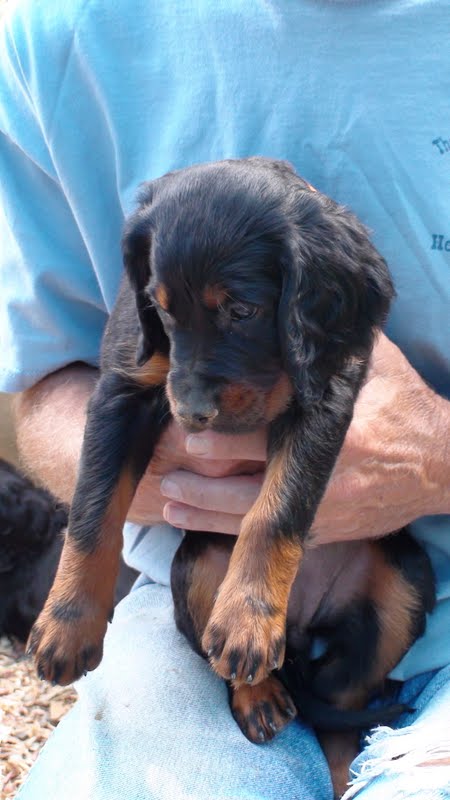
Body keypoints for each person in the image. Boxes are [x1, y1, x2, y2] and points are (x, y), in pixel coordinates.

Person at [1, 0, 449, 797]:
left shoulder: (311, 271)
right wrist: (92, 570)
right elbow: (53, 391)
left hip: (399, 572)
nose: (196, 398)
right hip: (195, 596)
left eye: (239, 314)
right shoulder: (62, 33)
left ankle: (348, 724)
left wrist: (437, 456)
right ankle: (263, 692)